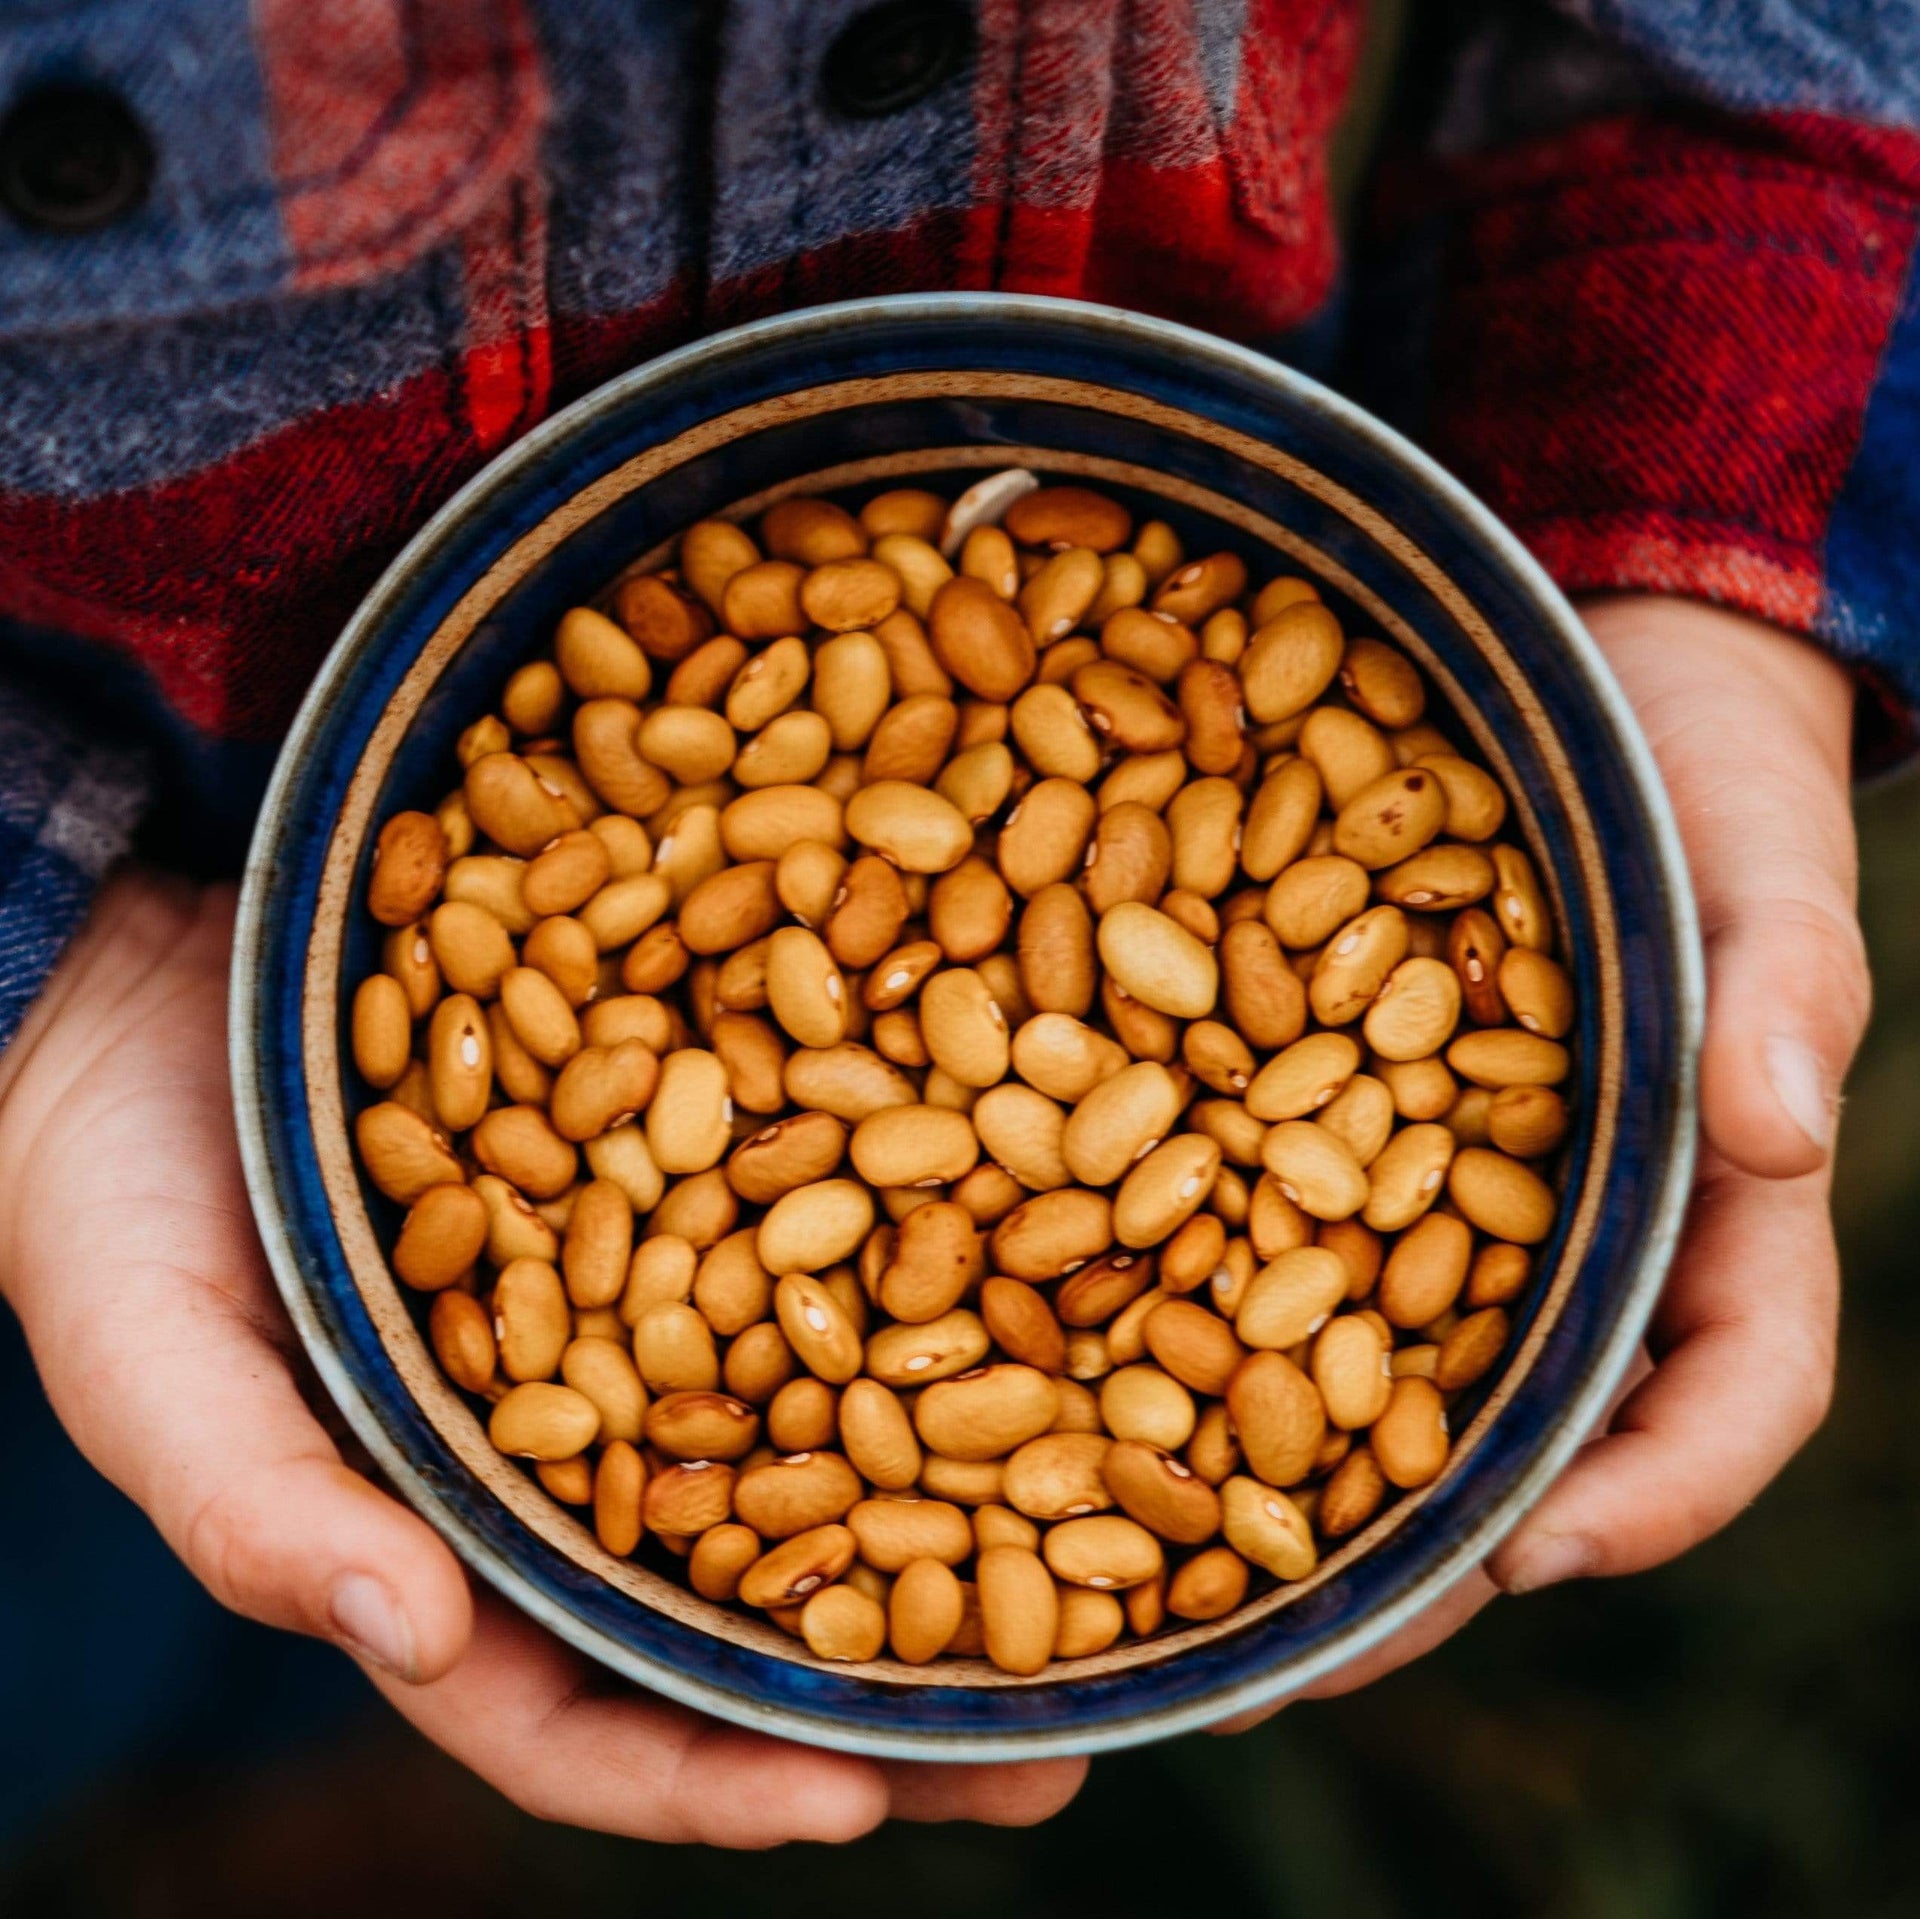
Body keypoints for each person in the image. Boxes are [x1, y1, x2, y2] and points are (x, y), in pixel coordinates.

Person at [0, 0, 1903, 1848]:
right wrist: (40, 975)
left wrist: (1686, 515)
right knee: (59, 1602)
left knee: (338, 1550)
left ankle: (271, 1749)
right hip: (96, 824)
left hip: (1103, 456)